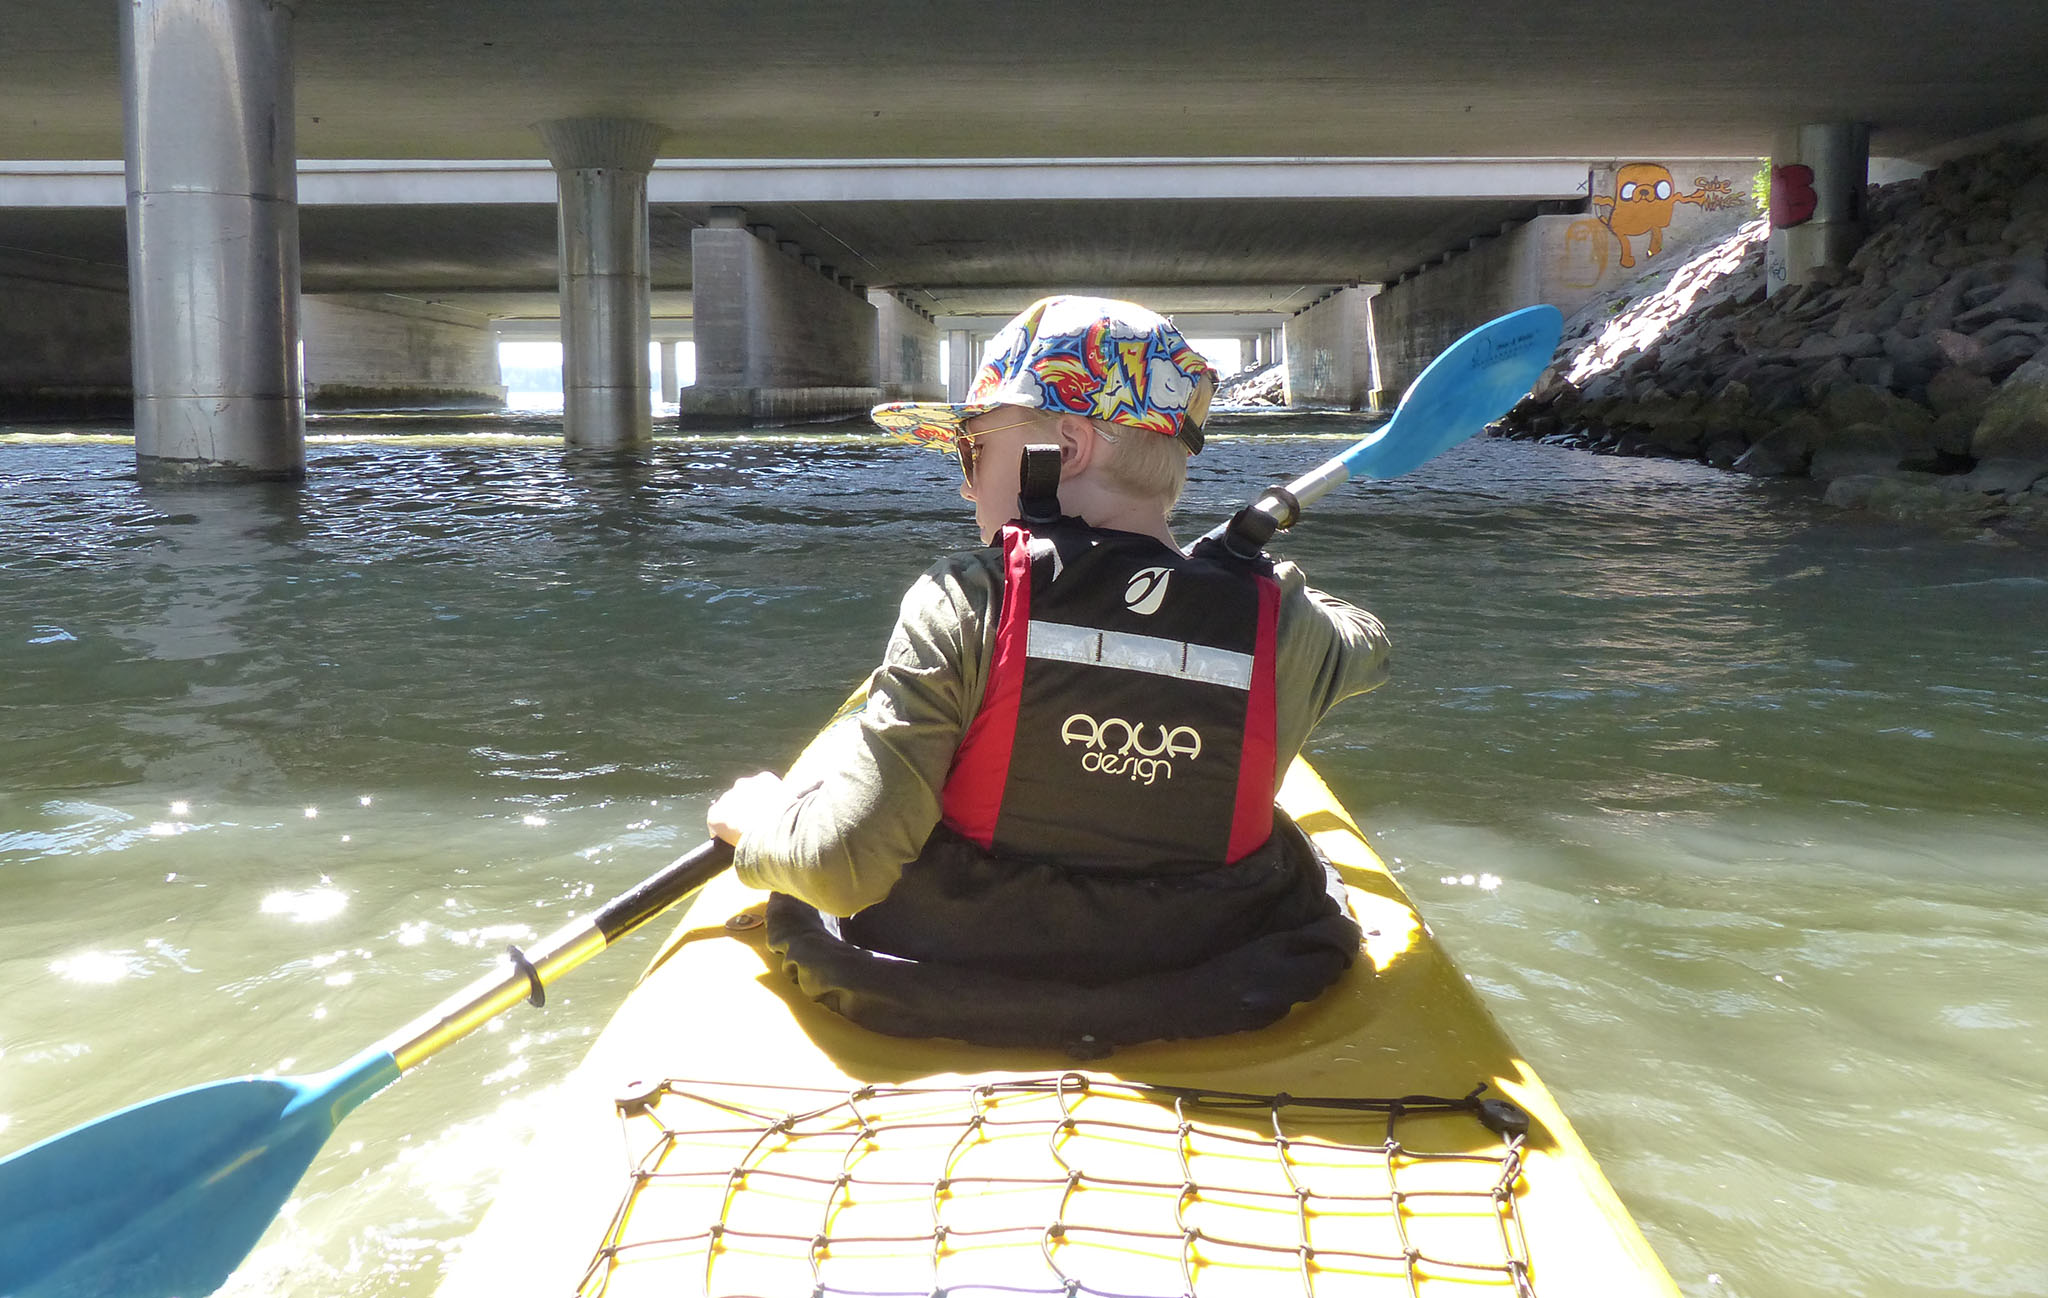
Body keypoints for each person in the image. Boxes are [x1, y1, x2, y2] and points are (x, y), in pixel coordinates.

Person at [706, 295, 1391, 1052]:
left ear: (1065, 445)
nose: (967, 487)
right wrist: (1242, 577)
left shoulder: (962, 599)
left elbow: (844, 867)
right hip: (1210, 972)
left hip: (950, 970)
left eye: (973, 454)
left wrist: (762, 826)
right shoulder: (1288, 627)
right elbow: (1370, 642)